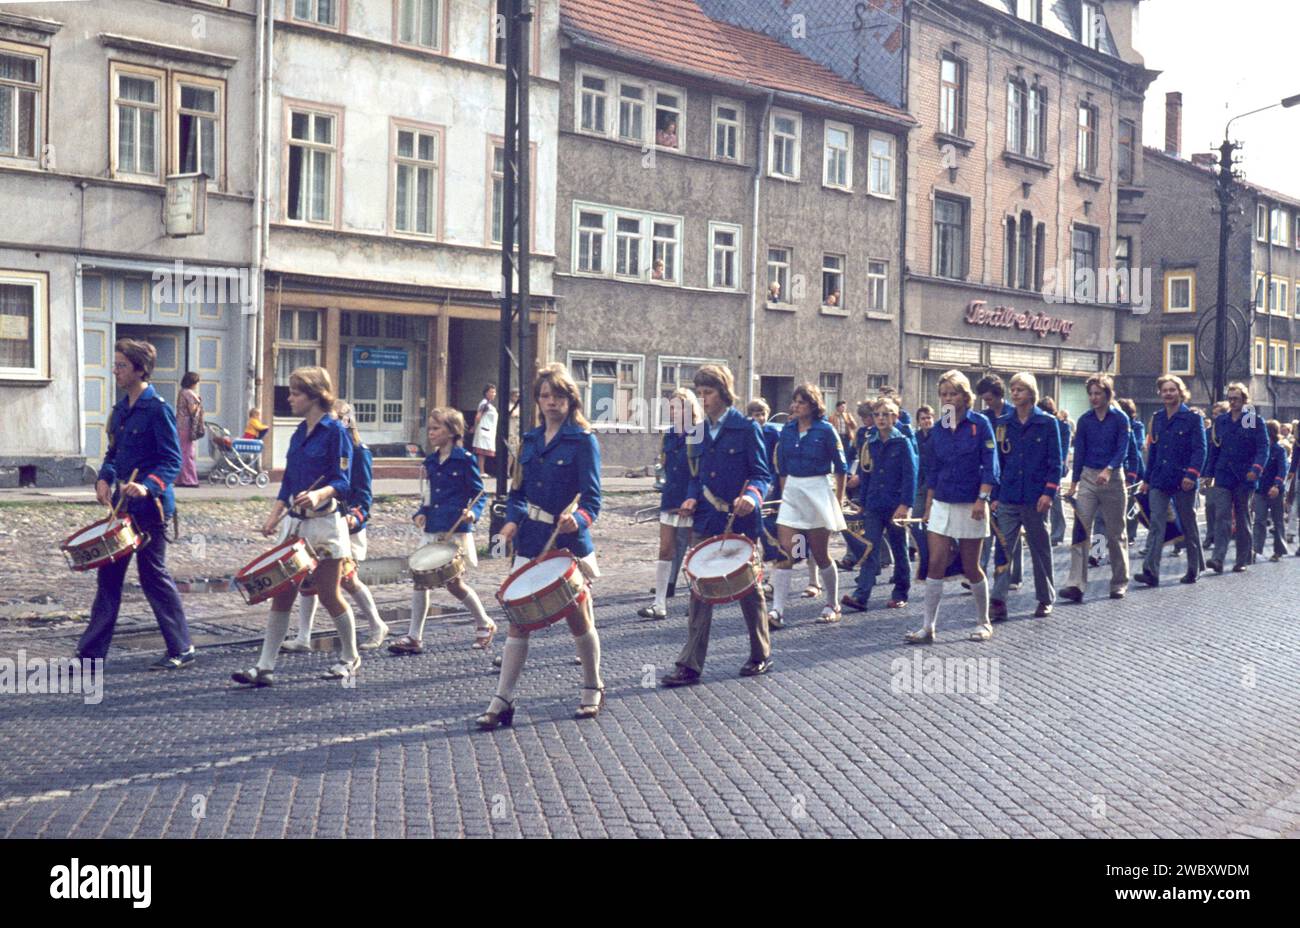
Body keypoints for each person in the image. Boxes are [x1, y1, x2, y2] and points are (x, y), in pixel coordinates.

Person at [476, 363, 604, 728]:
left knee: (578, 618)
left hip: (567, 546)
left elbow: (593, 499)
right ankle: (503, 699)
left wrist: (576, 520)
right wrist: (513, 521)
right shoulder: (529, 441)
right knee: (519, 620)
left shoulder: (583, 441)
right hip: (531, 541)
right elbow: (517, 493)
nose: (551, 402)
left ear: (570, 399)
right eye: (545, 396)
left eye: (558, 396)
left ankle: (592, 686)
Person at [232, 367, 358, 686]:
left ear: (315, 395)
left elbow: (343, 482)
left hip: (326, 524)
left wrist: (318, 493)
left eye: (295, 393)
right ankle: (264, 666)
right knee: (282, 593)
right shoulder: (299, 433)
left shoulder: (336, 432)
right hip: (296, 525)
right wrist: (274, 515)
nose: (289, 398)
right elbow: (289, 481)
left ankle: (350, 656)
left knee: (329, 594)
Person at [78, 339, 196, 670]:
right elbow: (113, 454)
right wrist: (104, 477)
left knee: (152, 576)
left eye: (121, 366)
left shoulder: (158, 409)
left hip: (151, 509)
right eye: (115, 365)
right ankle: (90, 654)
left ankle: (182, 647)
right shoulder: (120, 410)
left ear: (140, 370)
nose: (114, 370)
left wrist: (147, 486)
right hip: (122, 506)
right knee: (109, 576)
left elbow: (172, 461)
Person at [660, 364, 774, 686]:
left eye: (708, 393)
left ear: (723, 393)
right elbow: (698, 474)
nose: (703, 399)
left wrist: (752, 495)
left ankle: (760, 653)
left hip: (741, 519)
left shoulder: (747, 427)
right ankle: (690, 664)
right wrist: (692, 497)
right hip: (707, 517)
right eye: (700, 393)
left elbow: (762, 474)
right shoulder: (698, 429)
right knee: (699, 588)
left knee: (749, 590)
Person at [286, 402, 390, 653]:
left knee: (347, 580)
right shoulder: (322, 447)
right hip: (319, 521)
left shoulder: (360, 451)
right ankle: (303, 636)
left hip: (345, 525)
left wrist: (356, 516)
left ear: (346, 422)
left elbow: (364, 496)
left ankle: (377, 625)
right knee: (306, 578)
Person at [905, 370, 999, 642]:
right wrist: (928, 504)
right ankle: (928, 627)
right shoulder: (940, 426)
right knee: (934, 563)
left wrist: (982, 499)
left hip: (972, 503)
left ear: (965, 396)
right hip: (943, 502)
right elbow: (933, 467)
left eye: (953, 393)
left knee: (971, 567)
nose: (947, 398)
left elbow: (990, 465)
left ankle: (984, 622)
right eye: (944, 394)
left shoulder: (980, 424)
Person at [393, 407, 495, 652]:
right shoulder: (430, 462)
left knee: (454, 584)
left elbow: (479, 493)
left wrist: (473, 513)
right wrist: (420, 513)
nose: (431, 433)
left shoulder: (465, 459)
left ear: (452, 432)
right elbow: (428, 496)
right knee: (420, 581)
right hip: (433, 528)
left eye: (436, 428)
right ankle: (414, 636)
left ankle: (484, 623)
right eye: (430, 428)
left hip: (454, 529)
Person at [768, 382, 849, 626]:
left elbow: (842, 468)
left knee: (820, 553)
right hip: (793, 491)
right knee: (786, 553)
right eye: (795, 401)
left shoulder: (825, 430)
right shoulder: (787, 430)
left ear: (813, 405)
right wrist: (785, 497)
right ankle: (777, 610)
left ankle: (832, 604)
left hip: (817, 490)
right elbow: (781, 467)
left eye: (802, 402)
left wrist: (838, 499)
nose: (796, 405)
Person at [988, 373, 1060, 620]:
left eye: (1020, 389)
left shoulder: (1047, 423)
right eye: (1013, 389)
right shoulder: (1004, 424)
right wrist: (995, 494)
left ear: (1031, 393)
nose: (1015, 393)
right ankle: (998, 599)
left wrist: (1049, 492)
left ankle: (1045, 598)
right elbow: (998, 461)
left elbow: (1055, 463)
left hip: (1035, 497)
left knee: (1040, 549)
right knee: (1004, 547)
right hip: (1009, 496)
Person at [840, 397, 916, 613]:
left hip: (895, 505)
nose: (881, 418)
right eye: (877, 415)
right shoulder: (869, 442)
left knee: (899, 549)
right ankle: (861, 595)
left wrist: (905, 504)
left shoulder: (902, 442)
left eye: (886, 414)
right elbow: (866, 474)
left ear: (895, 417)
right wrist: (862, 503)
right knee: (869, 549)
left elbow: (910, 476)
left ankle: (901, 593)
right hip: (874, 503)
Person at [1060, 374, 1131, 603]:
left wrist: (1109, 469)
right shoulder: (1084, 420)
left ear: (1108, 394)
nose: (1093, 398)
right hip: (1089, 477)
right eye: (1090, 394)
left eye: (1098, 393)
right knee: (1081, 530)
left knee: (1115, 532)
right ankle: (1076, 584)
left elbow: (1122, 448)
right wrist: (1074, 483)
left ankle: (1119, 582)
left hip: (1112, 478)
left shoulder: (1120, 419)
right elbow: (1079, 451)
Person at [1133, 375, 1205, 587]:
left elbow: (1200, 450)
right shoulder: (1157, 418)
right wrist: (1146, 479)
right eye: (1165, 390)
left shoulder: (1192, 418)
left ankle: (1194, 568)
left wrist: (1191, 475)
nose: (1168, 393)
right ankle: (1150, 571)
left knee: (1188, 524)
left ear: (1180, 392)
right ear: (1160, 394)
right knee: (1156, 524)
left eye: (1172, 390)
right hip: (1159, 479)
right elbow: (1153, 451)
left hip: (1183, 480)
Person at [638, 388, 702, 619]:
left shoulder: (699, 433)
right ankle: (659, 604)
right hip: (671, 498)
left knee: (696, 552)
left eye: (679, 407)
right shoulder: (669, 435)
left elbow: (700, 471)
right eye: (672, 408)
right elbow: (666, 468)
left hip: (694, 500)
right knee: (665, 549)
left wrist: (692, 497)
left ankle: (698, 601)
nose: (674, 412)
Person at [1204, 383, 1269, 573]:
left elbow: (1262, 448)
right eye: (1230, 398)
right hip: (1224, 475)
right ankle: (1217, 559)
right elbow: (1214, 449)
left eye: (1236, 399)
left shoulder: (1251, 419)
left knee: (1242, 519)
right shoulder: (1221, 421)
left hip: (1244, 477)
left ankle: (1242, 559)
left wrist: (1255, 469)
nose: (1232, 402)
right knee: (1222, 516)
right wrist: (1208, 473)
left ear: (1244, 400)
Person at [975, 374, 1021, 588]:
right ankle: (980, 571)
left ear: (999, 395)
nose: (987, 403)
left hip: (1011, 480)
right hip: (989, 478)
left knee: (1009, 532)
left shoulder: (1014, 414)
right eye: (984, 400)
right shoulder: (984, 418)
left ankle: (1014, 575)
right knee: (986, 530)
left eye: (989, 399)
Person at [1251, 419, 1289, 561]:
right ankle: (1255, 549)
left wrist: (1277, 486)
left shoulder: (1279, 450)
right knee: (1259, 520)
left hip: (1275, 491)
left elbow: (1282, 470)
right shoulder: (1258, 450)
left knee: (1277, 521)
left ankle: (1278, 551)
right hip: (1260, 490)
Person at [1038, 397, 1070, 547]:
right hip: (1043, 469)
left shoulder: (1060, 425)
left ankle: (1057, 533)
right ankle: (1098, 554)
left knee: (1055, 502)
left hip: (1054, 469)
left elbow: (1062, 450)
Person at [910, 405, 935, 580]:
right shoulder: (915, 437)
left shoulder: (939, 436)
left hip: (937, 486)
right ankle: (924, 554)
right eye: (923, 419)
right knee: (916, 522)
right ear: (918, 422)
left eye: (929, 418)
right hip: (920, 484)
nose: (926, 421)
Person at [1201, 401, 1228, 552]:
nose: (1215, 417)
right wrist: (1205, 474)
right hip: (1212, 474)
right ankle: (1210, 535)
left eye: (1219, 414)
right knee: (1210, 506)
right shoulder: (1208, 432)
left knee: (1223, 509)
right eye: (1214, 414)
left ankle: (1221, 536)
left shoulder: (1230, 430)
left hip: (1227, 473)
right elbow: (1206, 454)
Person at [176, 372, 202, 488]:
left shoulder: (182, 392)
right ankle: (189, 479)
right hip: (187, 425)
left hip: (180, 424)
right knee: (188, 453)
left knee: (182, 451)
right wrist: (199, 404)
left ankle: (180, 478)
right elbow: (193, 410)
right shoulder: (189, 394)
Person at [471, 384, 498, 475]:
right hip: (483, 430)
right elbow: (478, 416)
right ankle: (481, 471)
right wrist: (474, 427)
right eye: (491, 392)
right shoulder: (484, 404)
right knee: (482, 452)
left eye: (494, 392)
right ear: (486, 393)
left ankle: (481, 470)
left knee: (484, 452)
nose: (494, 394)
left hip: (488, 430)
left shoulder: (489, 404)